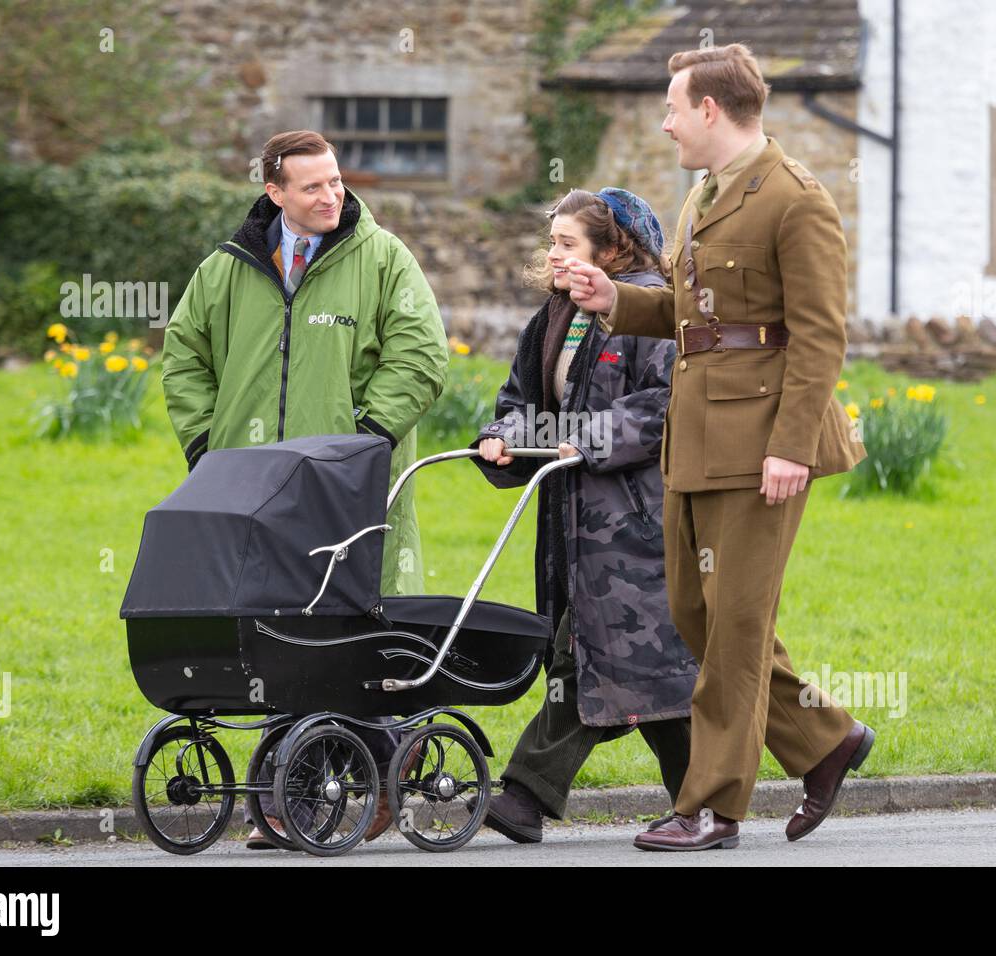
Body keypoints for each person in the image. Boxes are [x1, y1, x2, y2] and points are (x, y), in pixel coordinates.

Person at [565, 43, 875, 851]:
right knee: (697, 617)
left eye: (673, 108)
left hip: (765, 445)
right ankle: (826, 740)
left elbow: (819, 338)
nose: (665, 123)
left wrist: (792, 447)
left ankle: (709, 806)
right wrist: (615, 300)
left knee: (734, 629)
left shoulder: (797, 199)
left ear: (710, 109)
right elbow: (691, 311)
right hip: (698, 437)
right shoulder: (708, 192)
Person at [161, 129, 449, 848]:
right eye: (313, 186)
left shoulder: (382, 259)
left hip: (346, 488)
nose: (332, 196)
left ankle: (362, 778)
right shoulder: (226, 270)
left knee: (343, 633)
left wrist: (369, 436)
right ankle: (294, 800)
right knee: (273, 637)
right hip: (249, 492)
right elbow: (184, 354)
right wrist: (205, 448)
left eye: (337, 181)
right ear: (275, 192)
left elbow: (421, 352)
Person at [469, 188, 697, 842]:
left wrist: (589, 437)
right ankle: (706, 799)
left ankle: (522, 796)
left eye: (567, 242)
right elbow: (521, 398)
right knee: (653, 673)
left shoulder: (648, 310)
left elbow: (666, 403)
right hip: (568, 523)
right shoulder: (554, 317)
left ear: (613, 247)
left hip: (637, 524)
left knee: (595, 653)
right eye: (554, 241)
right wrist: (506, 435)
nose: (553, 254)